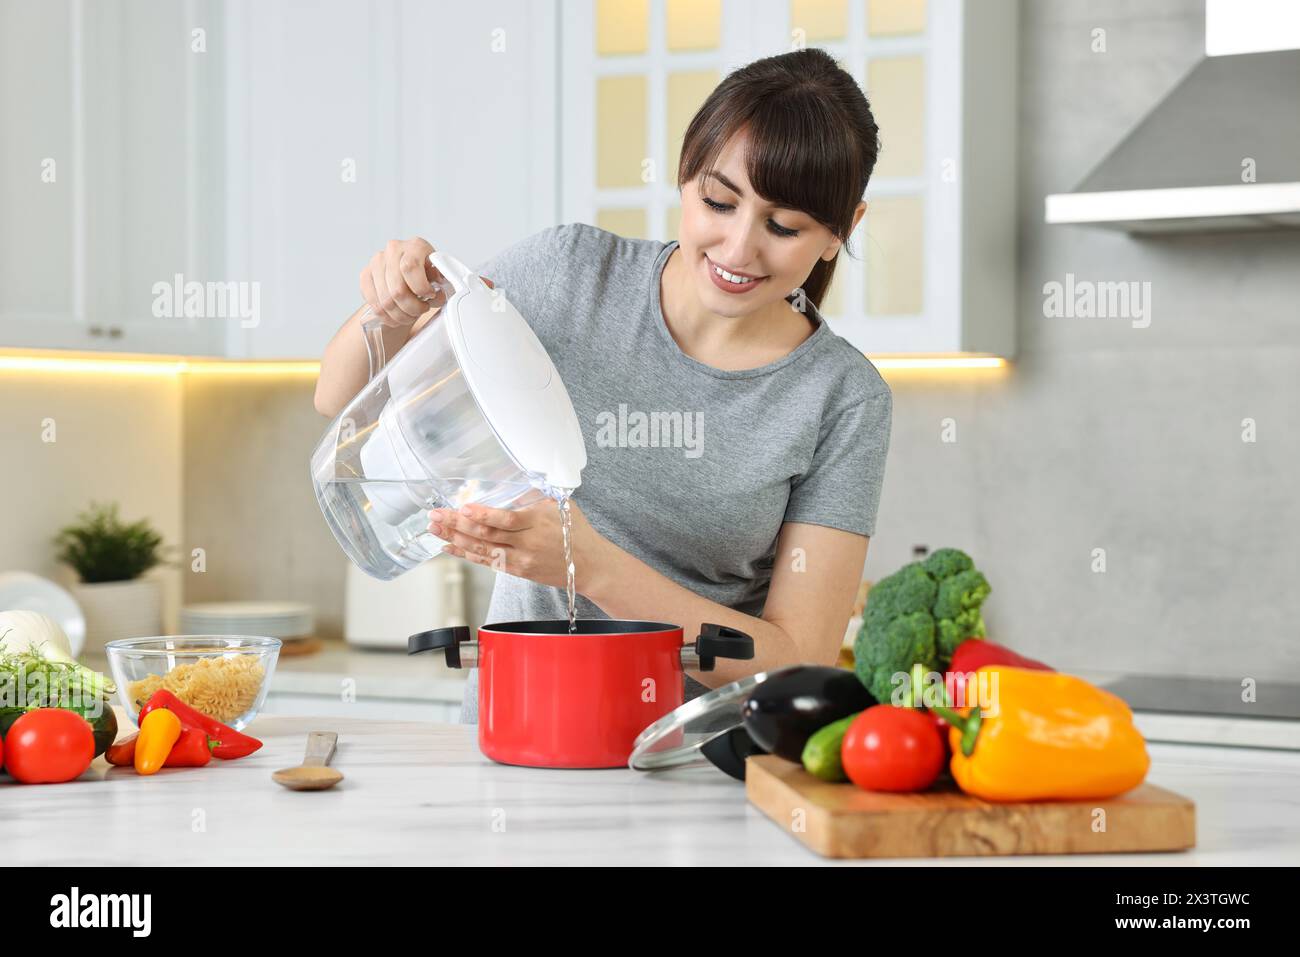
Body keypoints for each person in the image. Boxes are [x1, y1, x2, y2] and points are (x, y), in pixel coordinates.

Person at [315, 48, 892, 723]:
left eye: (783, 225)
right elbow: (340, 398)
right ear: (684, 174)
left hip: (696, 767)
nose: (738, 248)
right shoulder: (568, 276)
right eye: (718, 201)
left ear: (840, 232)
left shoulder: (843, 397)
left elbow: (799, 657)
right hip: (517, 733)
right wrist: (388, 309)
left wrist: (589, 567)